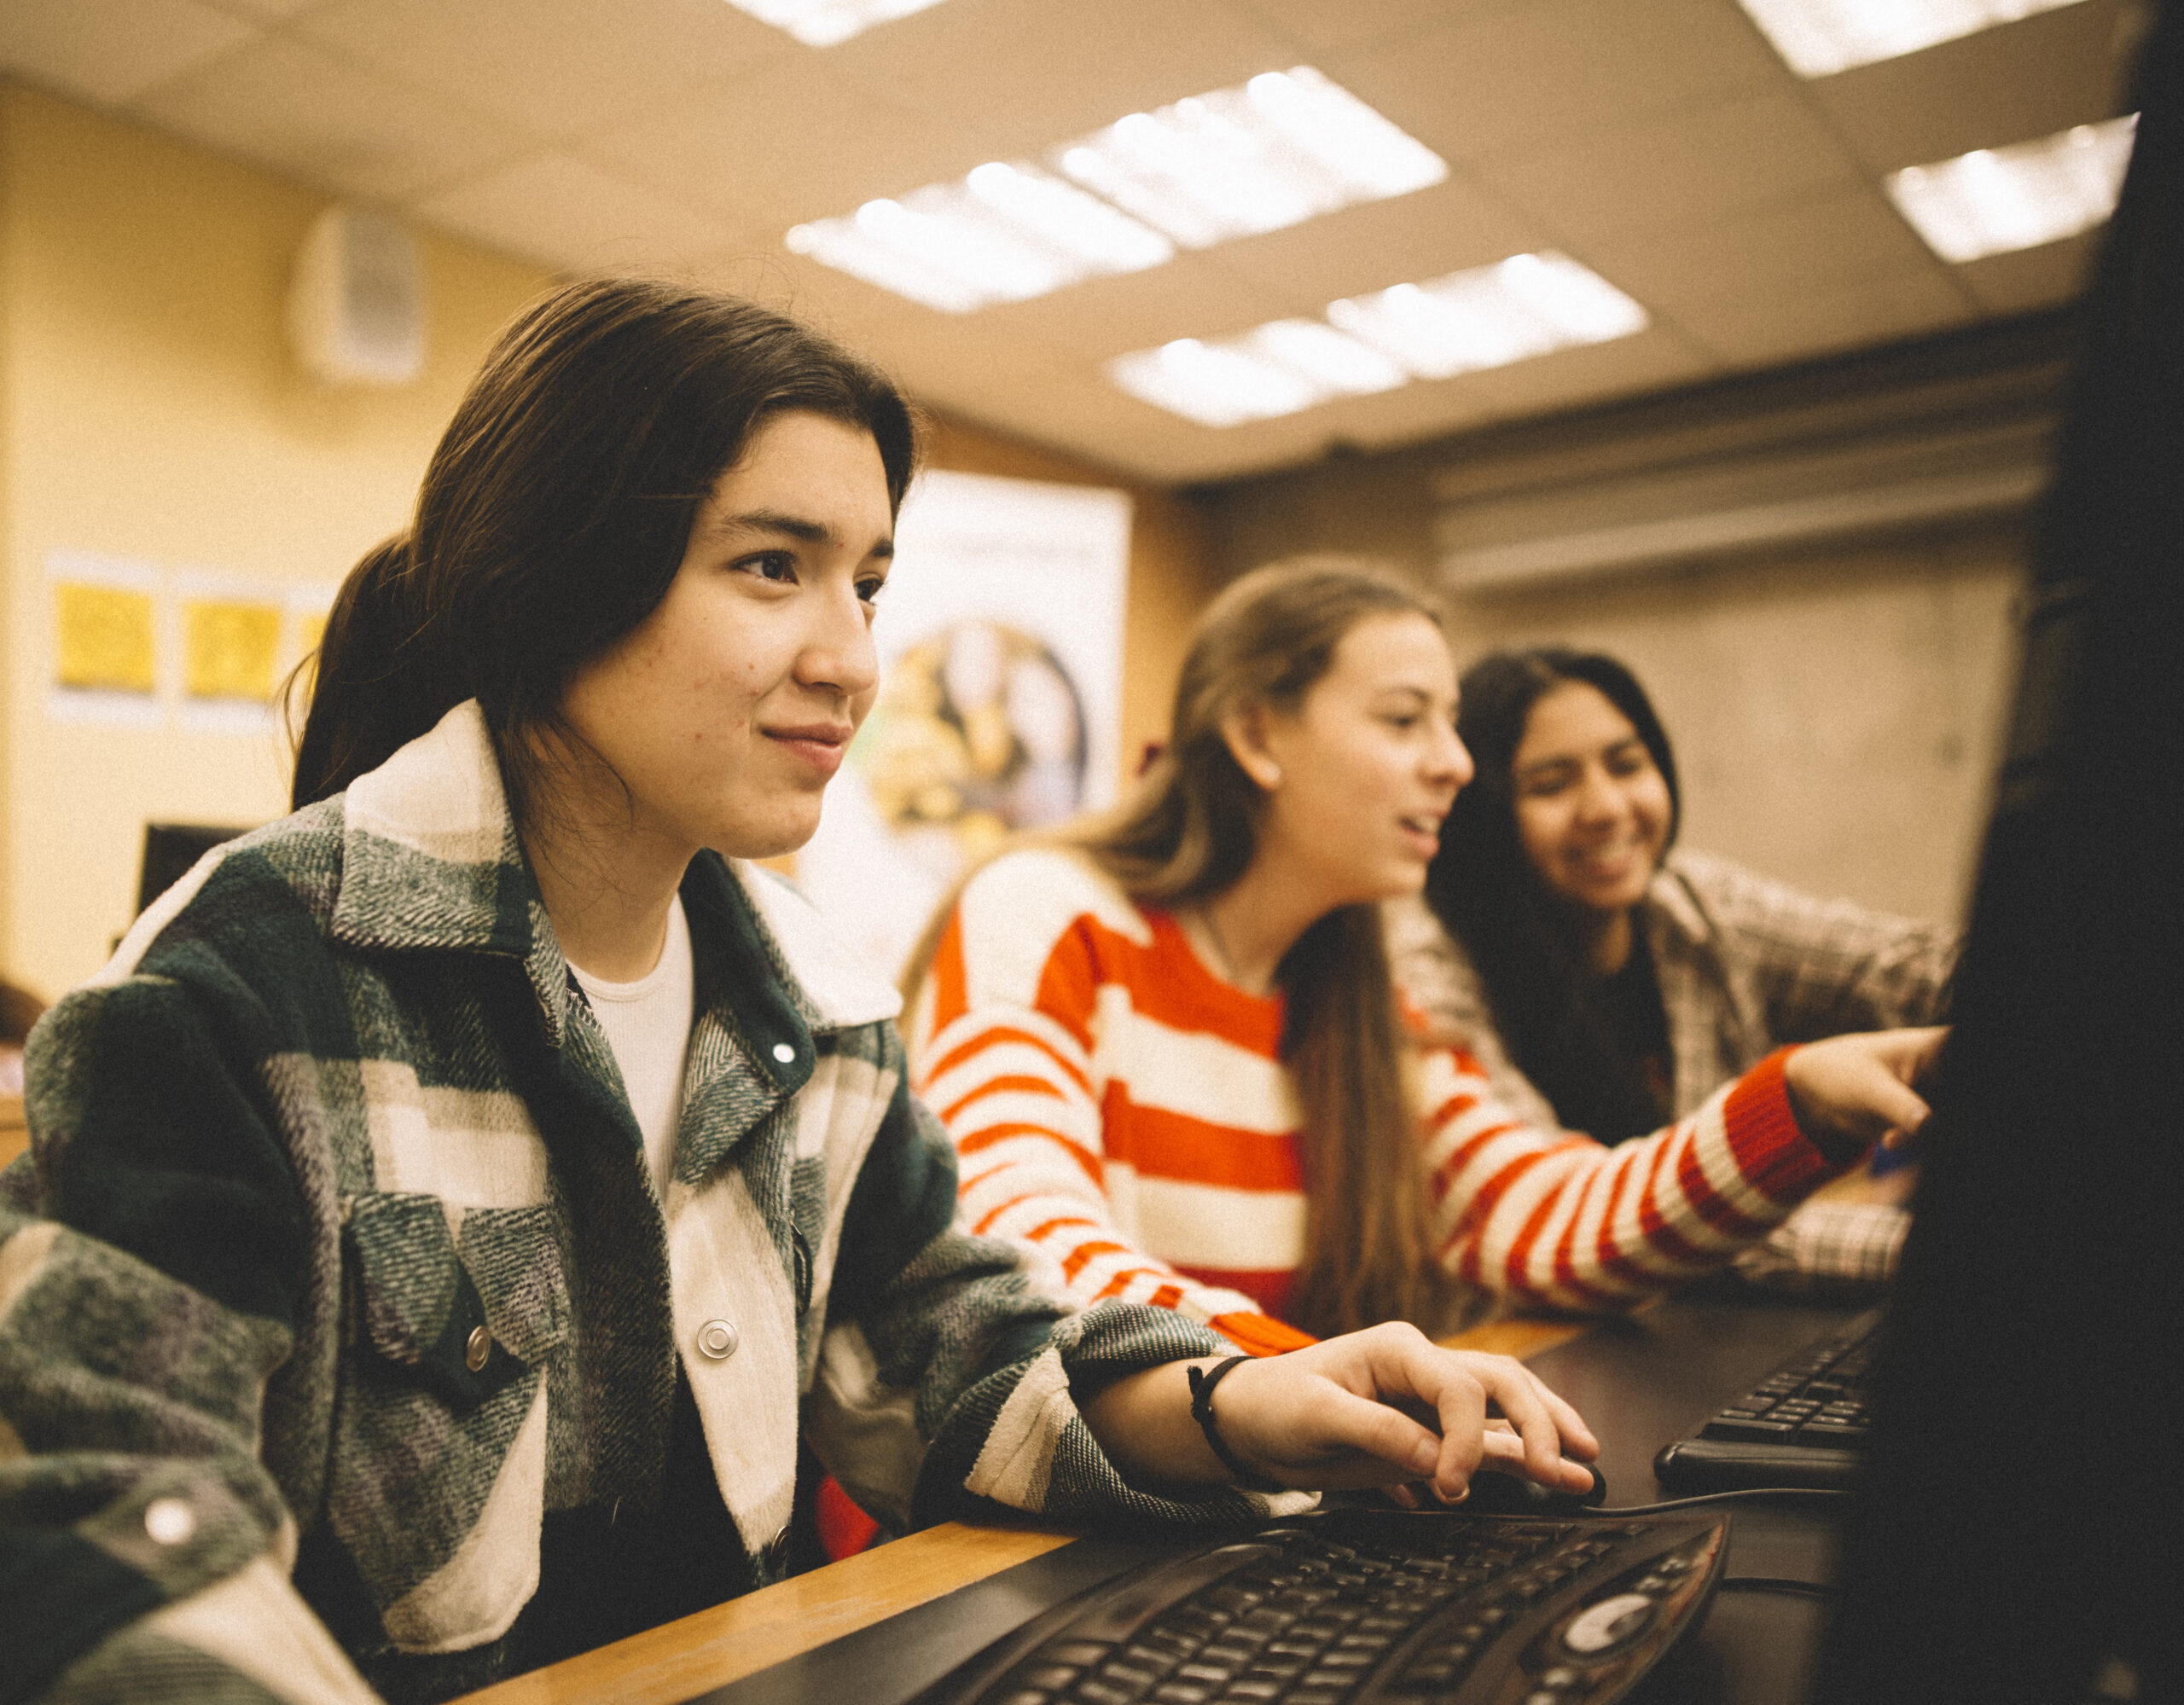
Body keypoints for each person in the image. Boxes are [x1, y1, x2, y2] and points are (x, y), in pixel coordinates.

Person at [0, 285, 1600, 1705]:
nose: (853, 657)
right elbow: (95, 1522)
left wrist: (1248, 1399)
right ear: (558, 582)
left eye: (870, 583)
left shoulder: (811, 1009)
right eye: (774, 567)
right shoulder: (233, 987)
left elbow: (950, 1358)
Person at [904, 560, 1944, 1355]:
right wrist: (1295, 1383)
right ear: (1257, 737)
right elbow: (1025, 1246)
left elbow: (1548, 1217)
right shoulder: (1050, 913)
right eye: (1406, 721)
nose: (1454, 764)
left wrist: (1798, 1102)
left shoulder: (1355, 997)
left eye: (1449, 724)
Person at [1398, 647, 1958, 1287]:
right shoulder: (1433, 983)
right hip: (1550, 1340)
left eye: (1627, 764)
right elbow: (1594, 1227)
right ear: (1481, 817)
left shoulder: (1694, 906)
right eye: (1551, 784)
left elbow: (1904, 968)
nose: (1606, 806)